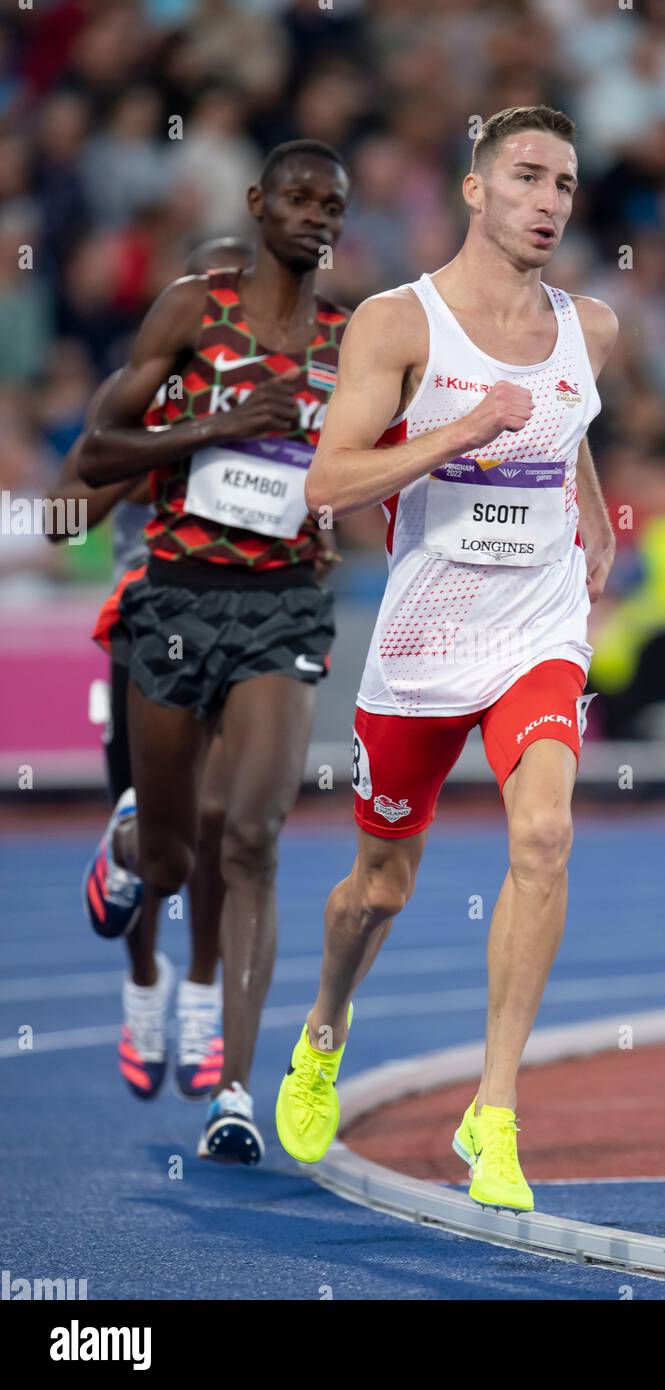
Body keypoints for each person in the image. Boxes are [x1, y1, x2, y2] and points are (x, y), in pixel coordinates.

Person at [274, 106, 618, 1213]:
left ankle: (496, 1110)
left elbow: (567, 423)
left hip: (537, 626)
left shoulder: (591, 325)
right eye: (525, 177)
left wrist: (596, 510)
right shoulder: (396, 323)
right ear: (474, 191)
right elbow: (326, 485)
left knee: (546, 831)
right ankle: (326, 1024)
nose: (547, 202)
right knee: (380, 888)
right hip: (423, 641)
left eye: (563, 184)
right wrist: (456, 436)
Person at [76, 141, 351, 1163]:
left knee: (253, 838)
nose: (316, 214)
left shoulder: (351, 336)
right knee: (176, 856)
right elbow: (96, 453)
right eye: (297, 196)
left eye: (332, 202)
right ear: (257, 202)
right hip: (177, 599)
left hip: (283, 609)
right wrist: (223, 425)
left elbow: (370, 460)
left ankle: (232, 1089)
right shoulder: (197, 308)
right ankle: (127, 849)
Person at [47, 238, 255, 1105]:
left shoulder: (283, 390)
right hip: (144, 620)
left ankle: (204, 989)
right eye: (207, 296)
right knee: (150, 827)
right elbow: (61, 518)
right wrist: (163, 454)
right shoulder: (138, 388)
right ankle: (144, 986)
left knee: (215, 824)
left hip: (243, 623)